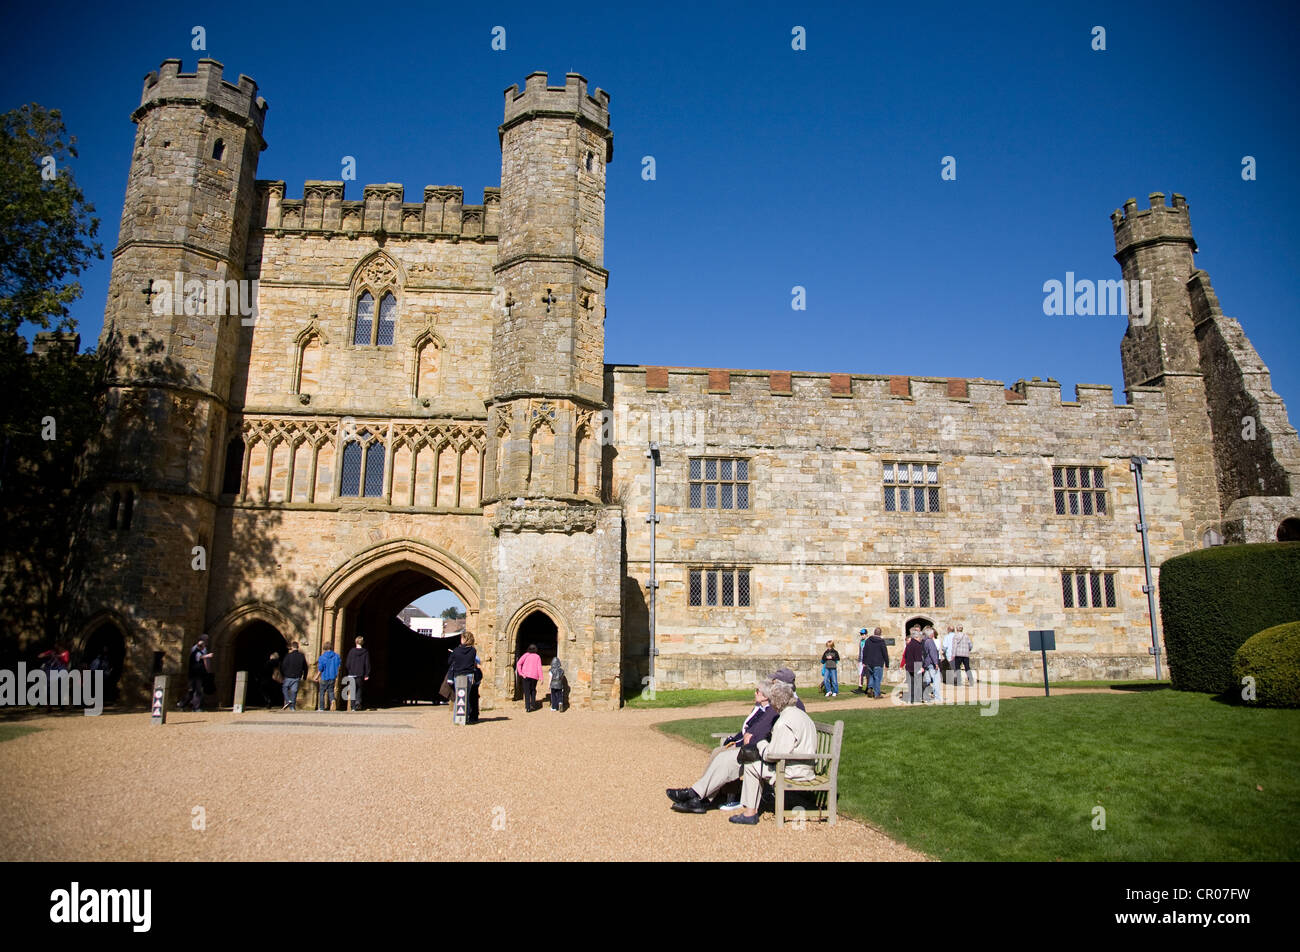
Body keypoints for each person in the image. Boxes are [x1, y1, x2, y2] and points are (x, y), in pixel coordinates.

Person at [667, 680, 780, 814]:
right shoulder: (764, 708)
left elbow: (755, 735)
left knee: (724, 757)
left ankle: (695, 795)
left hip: (758, 752)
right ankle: (701, 797)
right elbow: (747, 732)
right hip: (752, 748)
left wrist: (740, 741)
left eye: (757, 691)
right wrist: (734, 740)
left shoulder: (772, 711)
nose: (754, 693)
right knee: (718, 752)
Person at [729, 678, 817, 825]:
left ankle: (750, 813)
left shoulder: (784, 721)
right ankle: (754, 807)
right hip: (805, 765)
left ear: (775, 702)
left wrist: (761, 744)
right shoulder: (800, 714)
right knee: (756, 765)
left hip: (794, 770)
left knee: (751, 767)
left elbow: (774, 755)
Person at [446, 632, 479, 723]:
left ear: (464, 639)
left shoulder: (456, 650)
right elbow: (472, 661)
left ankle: (457, 719)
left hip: (458, 675)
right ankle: (465, 718)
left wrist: (453, 654)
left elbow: (450, 661)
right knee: (466, 697)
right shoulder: (473, 650)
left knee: (459, 696)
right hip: (468, 675)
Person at [183, 636, 214, 712]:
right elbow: (199, 657)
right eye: (204, 642)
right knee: (196, 690)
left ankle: (183, 704)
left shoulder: (202, 650)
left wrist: (208, 671)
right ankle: (195, 707)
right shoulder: (195, 650)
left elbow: (204, 661)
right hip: (195, 674)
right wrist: (208, 656)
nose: (206, 644)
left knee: (193, 690)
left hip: (199, 673)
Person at [344, 636, 371, 711]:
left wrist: (348, 671)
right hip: (360, 674)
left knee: (352, 690)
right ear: (362, 642)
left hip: (352, 673)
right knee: (359, 689)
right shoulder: (365, 652)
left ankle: (353, 707)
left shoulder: (351, 651)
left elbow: (347, 663)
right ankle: (358, 702)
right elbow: (367, 664)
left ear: (355, 642)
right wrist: (366, 674)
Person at [516, 643, 543, 712]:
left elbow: (518, 663)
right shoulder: (537, 657)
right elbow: (539, 667)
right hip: (534, 676)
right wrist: (541, 678)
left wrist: (521, 673)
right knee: (533, 690)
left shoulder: (526, 655)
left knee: (526, 691)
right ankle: (533, 705)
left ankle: (527, 707)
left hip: (526, 676)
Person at [281, 641, 308, 710]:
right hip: (297, 676)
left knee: (284, 688)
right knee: (294, 691)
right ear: (297, 647)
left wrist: (283, 674)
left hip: (288, 676)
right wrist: (304, 676)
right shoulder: (301, 656)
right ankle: (292, 707)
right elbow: (305, 667)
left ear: (292, 647)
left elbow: (283, 666)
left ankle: (287, 700)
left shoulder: (288, 656)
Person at [902, 626, 926, 704]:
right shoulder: (917, 645)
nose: (920, 638)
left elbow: (905, 656)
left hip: (909, 667)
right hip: (916, 667)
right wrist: (921, 667)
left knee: (911, 684)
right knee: (918, 683)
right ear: (916, 637)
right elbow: (918, 658)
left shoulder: (908, 645)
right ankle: (918, 698)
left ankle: (911, 699)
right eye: (919, 637)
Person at [863, 626, 889, 698]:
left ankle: (870, 687)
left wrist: (864, 662)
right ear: (880, 634)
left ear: (874, 632)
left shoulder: (868, 640)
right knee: (877, 678)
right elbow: (885, 653)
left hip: (869, 662)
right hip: (878, 662)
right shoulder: (881, 641)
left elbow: (865, 651)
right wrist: (887, 663)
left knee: (871, 675)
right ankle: (877, 694)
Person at [315, 641, 341, 711]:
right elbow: (339, 666)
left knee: (322, 693)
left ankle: (321, 707)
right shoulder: (336, 656)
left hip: (324, 676)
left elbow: (320, 668)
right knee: (331, 691)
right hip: (332, 676)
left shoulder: (322, 657)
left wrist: (317, 676)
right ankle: (332, 700)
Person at [923, 626, 943, 703]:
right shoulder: (930, 641)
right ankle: (937, 697)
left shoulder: (924, 641)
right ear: (931, 634)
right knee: (936, 681)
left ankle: (924, 694)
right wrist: (936, 663)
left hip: (926, 663)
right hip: (931, 663)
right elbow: (933, 653)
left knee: (927, 680)